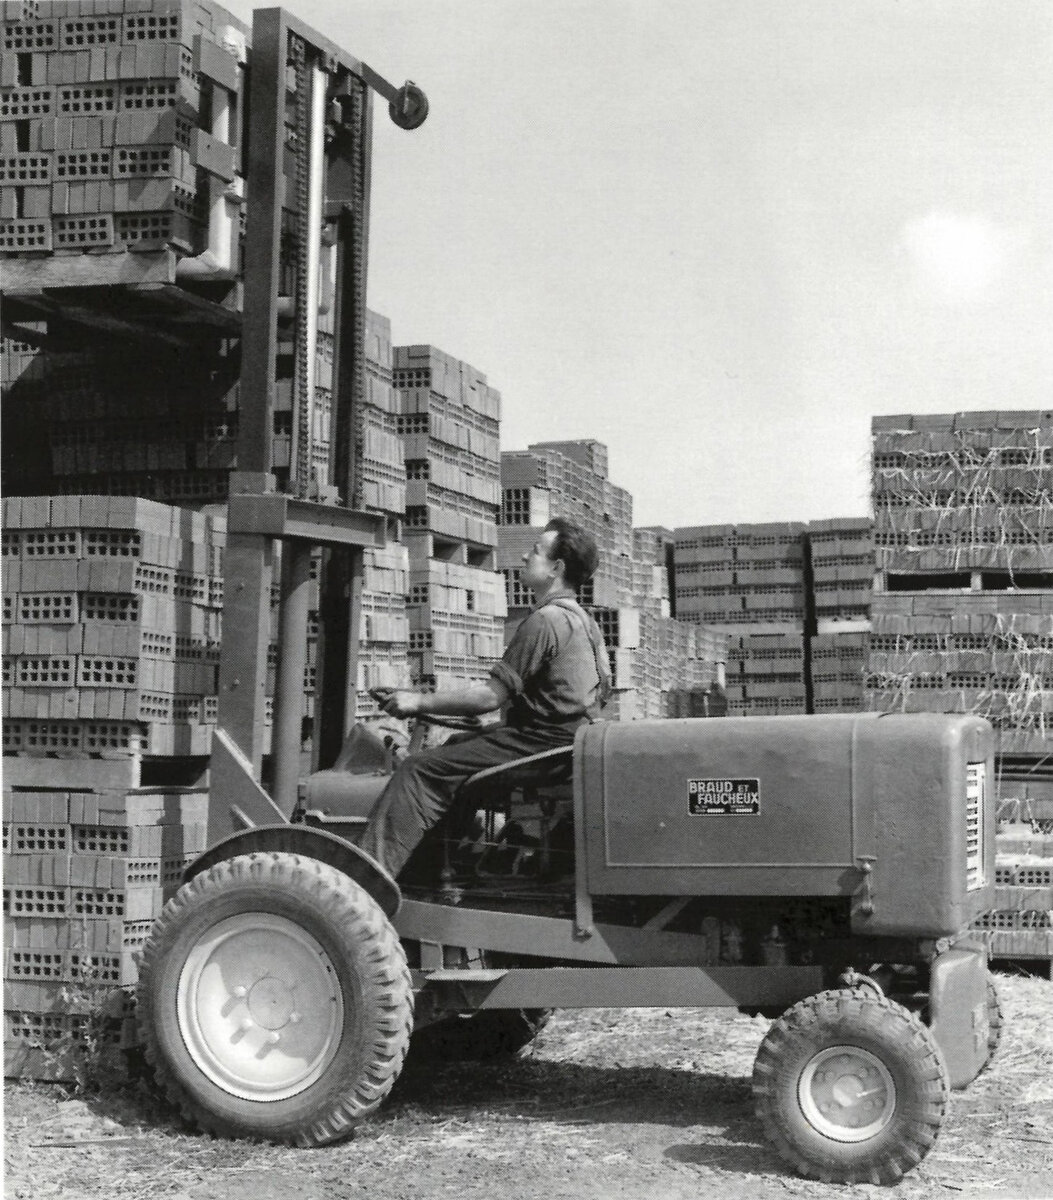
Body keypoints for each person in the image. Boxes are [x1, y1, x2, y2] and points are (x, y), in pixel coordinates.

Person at [358, 517, 612, 879]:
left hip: (541, 746)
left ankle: (368, 880)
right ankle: (433, 868)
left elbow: (489, 696)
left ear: (556, 568)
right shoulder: (584, 623)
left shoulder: (545, 622)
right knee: (458, 744)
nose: (525, 556)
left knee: (420, 769)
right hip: (565, 744)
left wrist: (416, 701)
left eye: (536, 552)